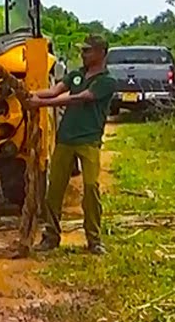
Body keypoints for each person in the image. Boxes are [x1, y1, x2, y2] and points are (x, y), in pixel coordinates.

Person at [27, 34, 118, 255]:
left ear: (101, 54)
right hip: (66, 139)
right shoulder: (75, 75)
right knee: (54, 191)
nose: (82, 54)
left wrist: (42, 104)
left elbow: (79, 98)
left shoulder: (106, 81)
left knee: (90, 188)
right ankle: (51, 236)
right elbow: (54, 90)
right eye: (82, 50)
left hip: (88, 141)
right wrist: (30, 94)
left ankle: (94, 240)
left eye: (87, 50)